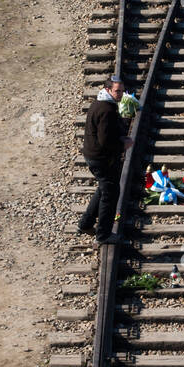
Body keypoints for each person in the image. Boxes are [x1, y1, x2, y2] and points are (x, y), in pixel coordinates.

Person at [77, 77, 132, 245]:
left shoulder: (100, 103)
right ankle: (103, 235)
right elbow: (105, 141)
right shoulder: (106, 110)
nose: (121, 94)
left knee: (104, 188)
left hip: (94, 155)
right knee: (111, 193)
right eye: (117, 91)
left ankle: (85, 224)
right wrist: (123, 144)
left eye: (122, 91)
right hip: (100, 158)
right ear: (108, 90)